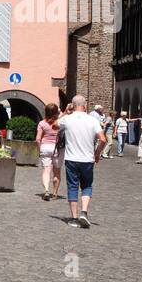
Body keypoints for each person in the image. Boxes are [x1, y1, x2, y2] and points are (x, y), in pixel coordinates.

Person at [57, 94, 104, 228]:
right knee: (87, 186)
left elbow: (54, 124)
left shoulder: (67, 119)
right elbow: (103, 139)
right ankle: (84, 212)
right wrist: (97, 153)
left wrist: (66, 112)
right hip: (87, 159)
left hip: (71, 158)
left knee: (72, 186)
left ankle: (74, 218)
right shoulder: (92, 120)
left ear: (72, 105)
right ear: (85, 105)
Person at [36, 103, 62, 201]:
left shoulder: (42, 123)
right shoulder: (60, 123)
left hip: (45, 147)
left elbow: (38, 139)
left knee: (46, 171)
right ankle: (55, 193)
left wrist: (40, 150)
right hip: (57, 148)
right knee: (57, 172)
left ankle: (46, 190)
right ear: (56, 112)